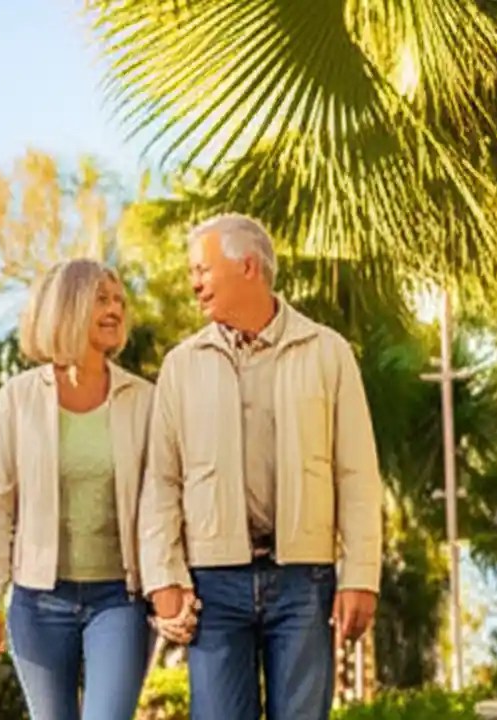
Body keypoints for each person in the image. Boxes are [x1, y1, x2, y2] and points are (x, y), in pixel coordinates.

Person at [139, 214, 383, 719]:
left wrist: (361, 575)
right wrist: (164, 576)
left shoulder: (327, 352)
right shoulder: (181, 366)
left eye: (203, 269)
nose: (194, 282)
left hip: (304, 581)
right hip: (213, 583)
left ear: (247, 266)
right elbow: (161, 482)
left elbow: (356, 475)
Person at [0, 258, 155, 720]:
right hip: (39, 602)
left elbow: (163, 501)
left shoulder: (143, 399)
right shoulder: (20, 396)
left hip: (120, 598)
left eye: (119, 301)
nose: (115, 310)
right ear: (67, 307)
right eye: (101, 299)